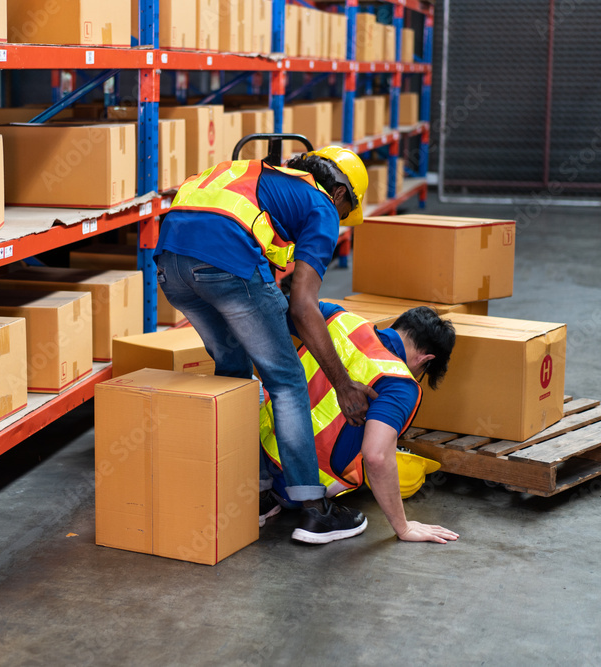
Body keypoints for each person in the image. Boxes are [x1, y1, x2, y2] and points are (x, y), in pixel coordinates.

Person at [154, 146, 377, 545]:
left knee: (234, 374)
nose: (338, 222)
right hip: (223, 262)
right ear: (341, 194)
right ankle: (314, 510)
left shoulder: (262, 178)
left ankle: (255, 495)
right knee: (286, 382)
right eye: (345, 215)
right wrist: (342, 384)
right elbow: (304, 305)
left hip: (170, 267)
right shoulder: (322, 205)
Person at [260, 303, 460, 544]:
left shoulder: (338, 318)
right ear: (425, 359)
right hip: (294, 489)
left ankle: (259, 499)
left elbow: (268, 310)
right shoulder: (400, 384)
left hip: (245, 452)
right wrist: (403, 527)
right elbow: (376, 456)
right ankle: (309, 513)